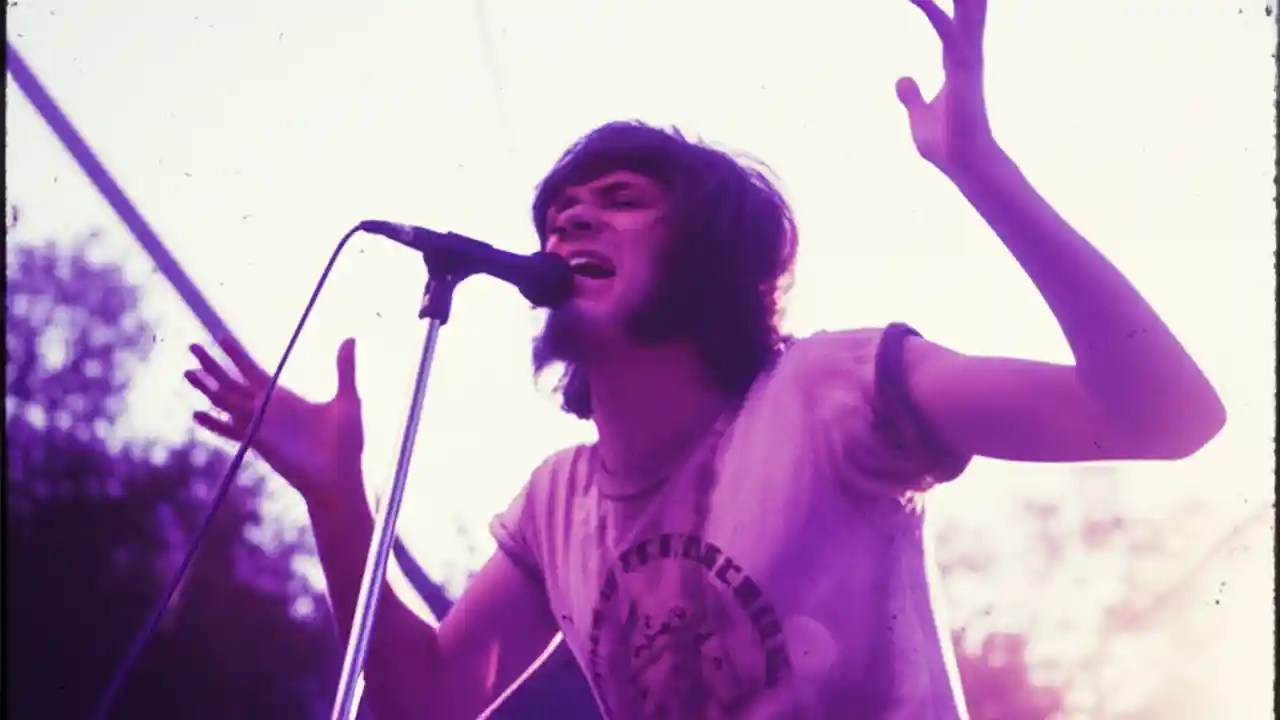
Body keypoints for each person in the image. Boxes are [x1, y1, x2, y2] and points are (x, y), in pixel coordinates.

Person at [185, 1, 1225, 717]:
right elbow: (429, 702)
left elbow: (1165, 418)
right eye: (555, 215)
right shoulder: (555, 505)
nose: (569, 220)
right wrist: (335, 501)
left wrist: (983, 171)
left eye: (618, 201)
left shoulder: (834, 391)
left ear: (708, 253)